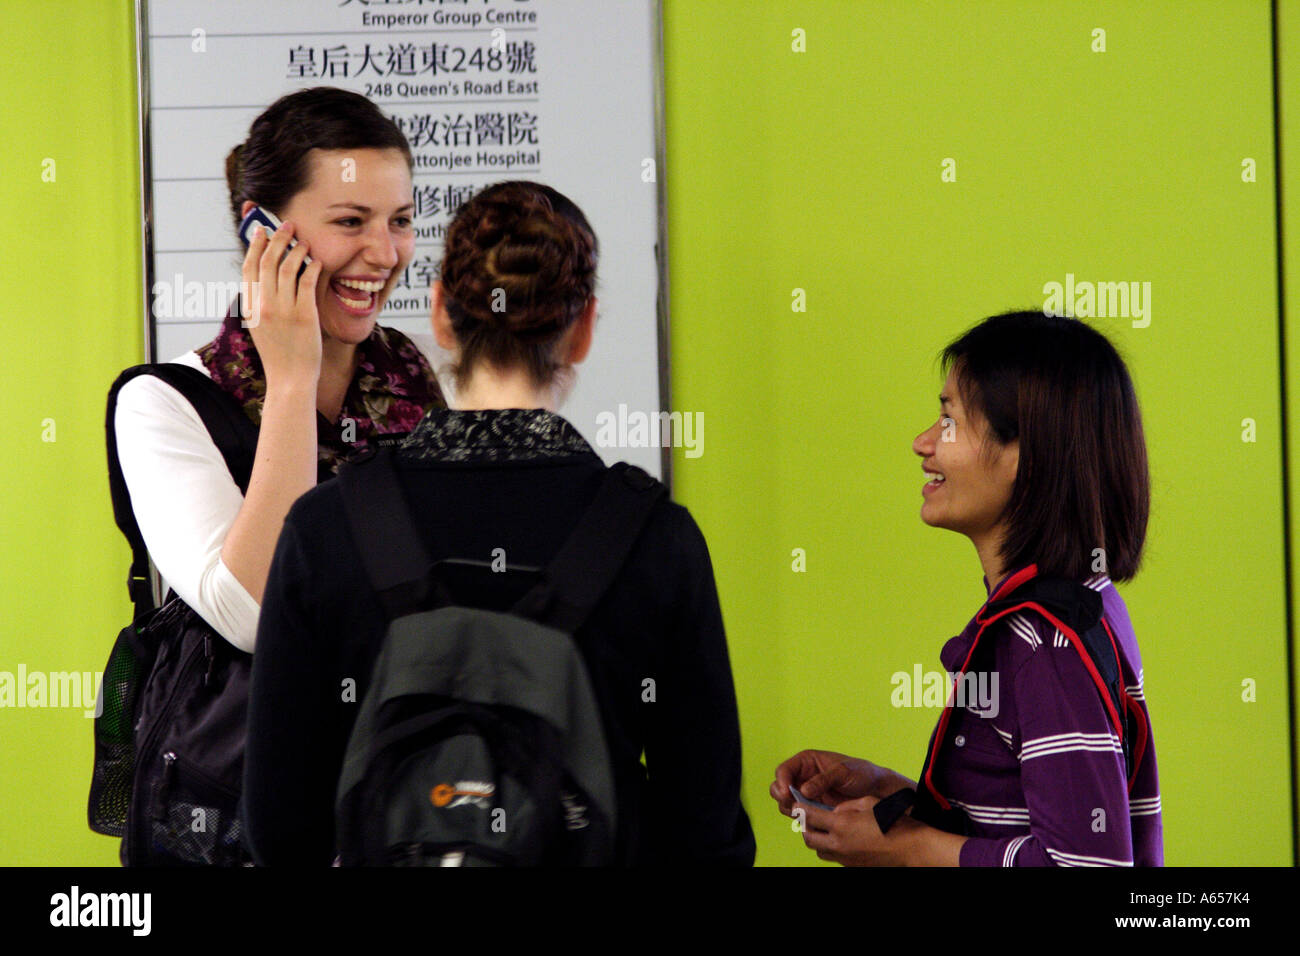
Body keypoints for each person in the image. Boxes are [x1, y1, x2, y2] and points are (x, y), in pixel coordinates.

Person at [244, 180, 757, 866]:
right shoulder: (656, 538)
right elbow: (705, 831)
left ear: (441, 319)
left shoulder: (325, 528)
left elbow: (278, 830)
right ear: (583, 330)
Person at [772, 311, 1162, 866]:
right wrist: (886, 790)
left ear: (1025, 455)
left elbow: (1085, 865)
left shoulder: (1045, 641)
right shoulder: (1079, 601)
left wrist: (906, 848)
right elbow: (1018, 819)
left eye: (949, 421)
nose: (922, 443)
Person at [113, 87, 445, 651]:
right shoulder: (163, 403)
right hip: (266, 738)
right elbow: (253, 617)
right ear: (261, 231)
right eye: (350, 221)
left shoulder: (426, 371)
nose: (386, 254)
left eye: (400, 221)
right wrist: (292, 381)